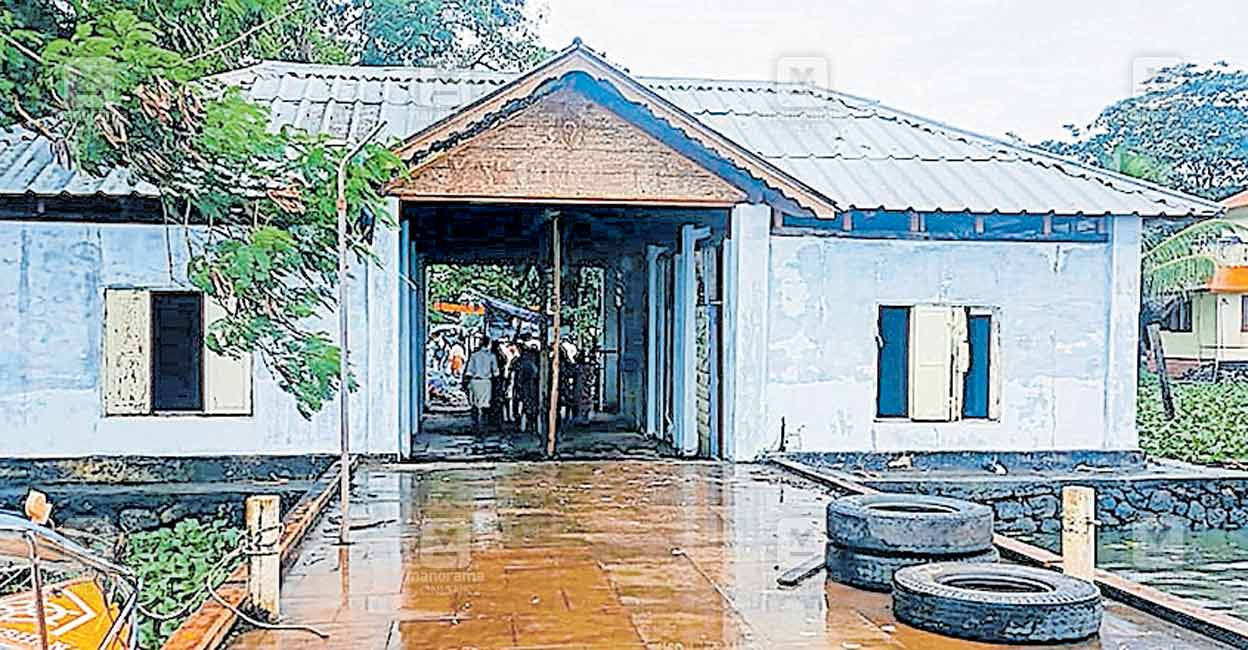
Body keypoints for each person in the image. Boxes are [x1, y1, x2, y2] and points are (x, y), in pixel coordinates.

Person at [463, 337, 499, 432]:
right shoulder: (492, 356)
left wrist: (466, 382)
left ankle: (475, 425)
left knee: (475, 404)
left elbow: (469, 371)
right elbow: (496, 372)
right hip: (486, 382)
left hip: (475, 381)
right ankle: (484, 426)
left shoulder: (474, 356)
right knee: (485, 405)